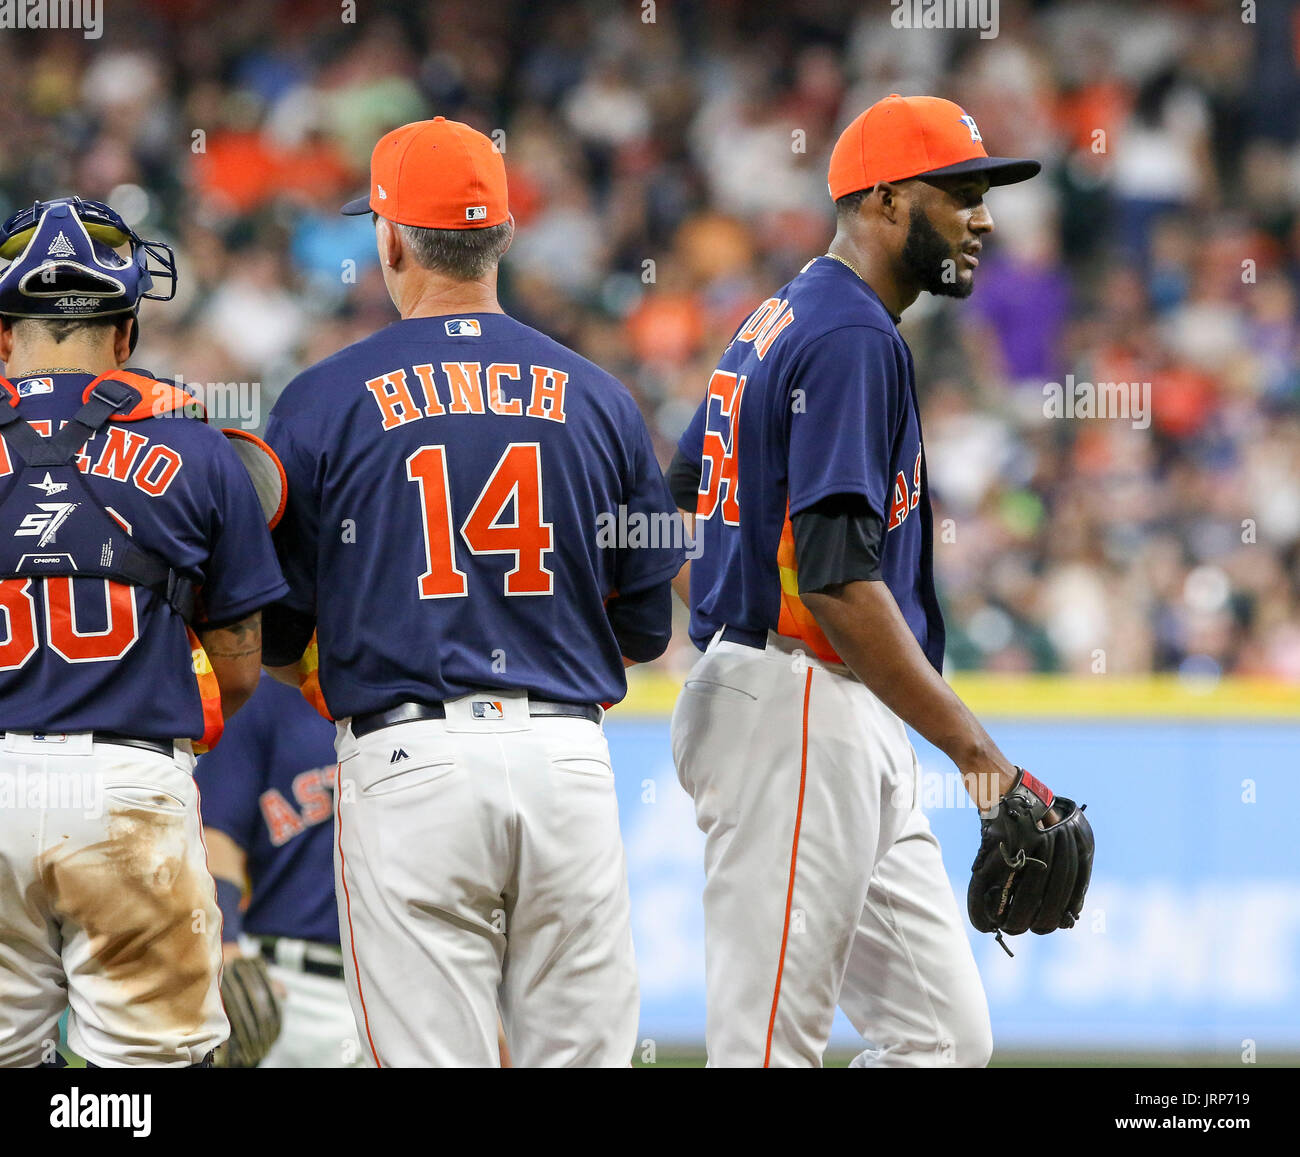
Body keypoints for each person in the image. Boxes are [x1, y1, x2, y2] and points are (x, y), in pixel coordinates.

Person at [668, 94, 1083, 1066]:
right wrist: (982, 759)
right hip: (798, 699)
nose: (983, 217)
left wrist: (727, 627)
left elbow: (680, 490)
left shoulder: (783, 315)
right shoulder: (849, 333)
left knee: (943, 1036)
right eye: (962, 193)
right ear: (886, 200)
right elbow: (836, 582)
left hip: (819, 703)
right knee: (767, 1045)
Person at [262, 118, 683, 1067]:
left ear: (393, 239)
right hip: (568, 756)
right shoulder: (600, 395)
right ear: (500, 238)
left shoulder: (324, 397)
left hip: (410, 757)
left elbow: (280, 636)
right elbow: (650, 626)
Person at [0, 196, 286, 1067]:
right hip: (129, 785)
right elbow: (239, 677)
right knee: (147, 1080)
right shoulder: (197, 449)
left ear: (4, 333)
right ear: (126, 332)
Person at [196, 673, 363, 1068]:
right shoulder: (259, 698)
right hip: (290, 991)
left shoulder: (414, 690)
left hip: (406, 982)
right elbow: (219, 839)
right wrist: (226, 944)